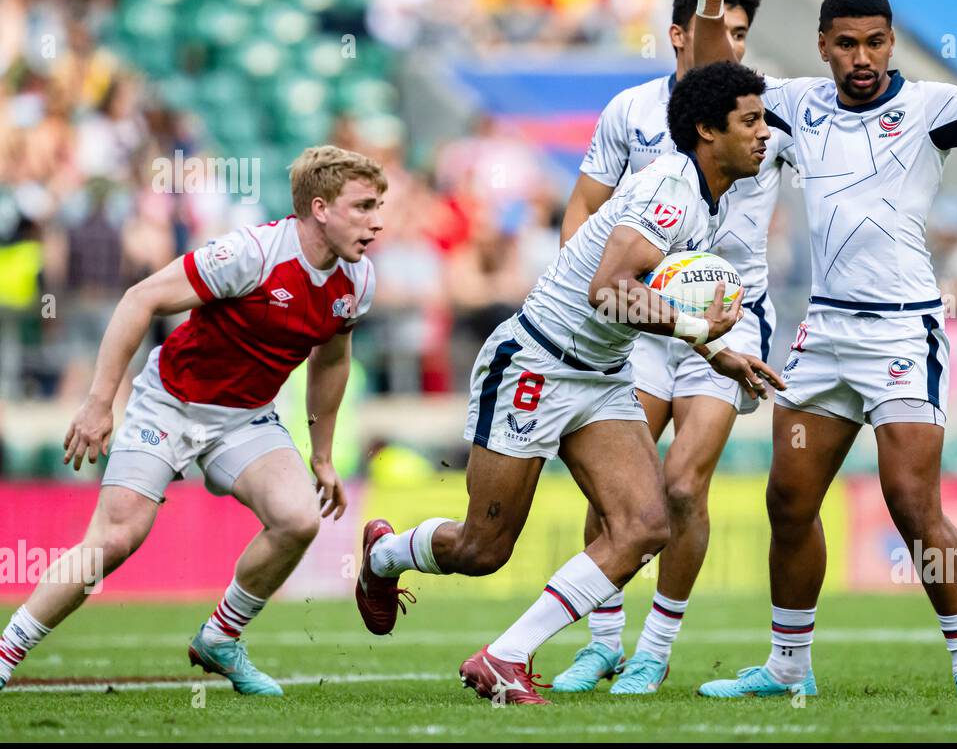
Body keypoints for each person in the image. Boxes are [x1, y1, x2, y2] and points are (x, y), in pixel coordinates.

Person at [690, 0, 957, 699]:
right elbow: (700, 90)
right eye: (847, 45)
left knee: (911, 501)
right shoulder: (792, 105)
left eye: (876, 44)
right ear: (822, 46)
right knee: (788, 499)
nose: (863, 59)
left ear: (893, 44)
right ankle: (788, 666)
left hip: (902, 327)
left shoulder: (930, 109)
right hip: (825, 333)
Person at [353, 62, 785, 705]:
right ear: (705, 129)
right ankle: (385, 555)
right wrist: (695, 322)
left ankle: (504, 656)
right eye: (749, 122)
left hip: (603, 375)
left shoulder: (709, 199)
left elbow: (639, 303)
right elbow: (609, 291)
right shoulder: (671, 189)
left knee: (644, 525)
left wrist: (714, 352)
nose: (763, 136)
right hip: (537, 363)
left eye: (764, 122)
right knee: (483, 549)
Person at [0, 146, 385, 695]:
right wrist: (98, 401)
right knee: (117, 537)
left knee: (299, 519)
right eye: (364, 206)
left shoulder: (359, 280)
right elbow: (140, 299)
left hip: (245, 418)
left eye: (379, 206)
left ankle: (220, 638)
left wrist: (321, 456)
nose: (376, 221)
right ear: (320, 208)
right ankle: (6, 651)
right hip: (171, 402)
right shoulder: (249, 253)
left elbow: (332, 358)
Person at [548, 0, 793, 695]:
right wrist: (579, 301)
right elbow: (584, 210)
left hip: (730, 315)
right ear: (680, 33)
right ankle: (601, 644)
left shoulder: (764, 113)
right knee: (614, 487)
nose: (734, 47)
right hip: (647, 320)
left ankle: (654, 650)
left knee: (684, 484)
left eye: (745, 35)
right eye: (723, 29)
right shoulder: (630, 111)